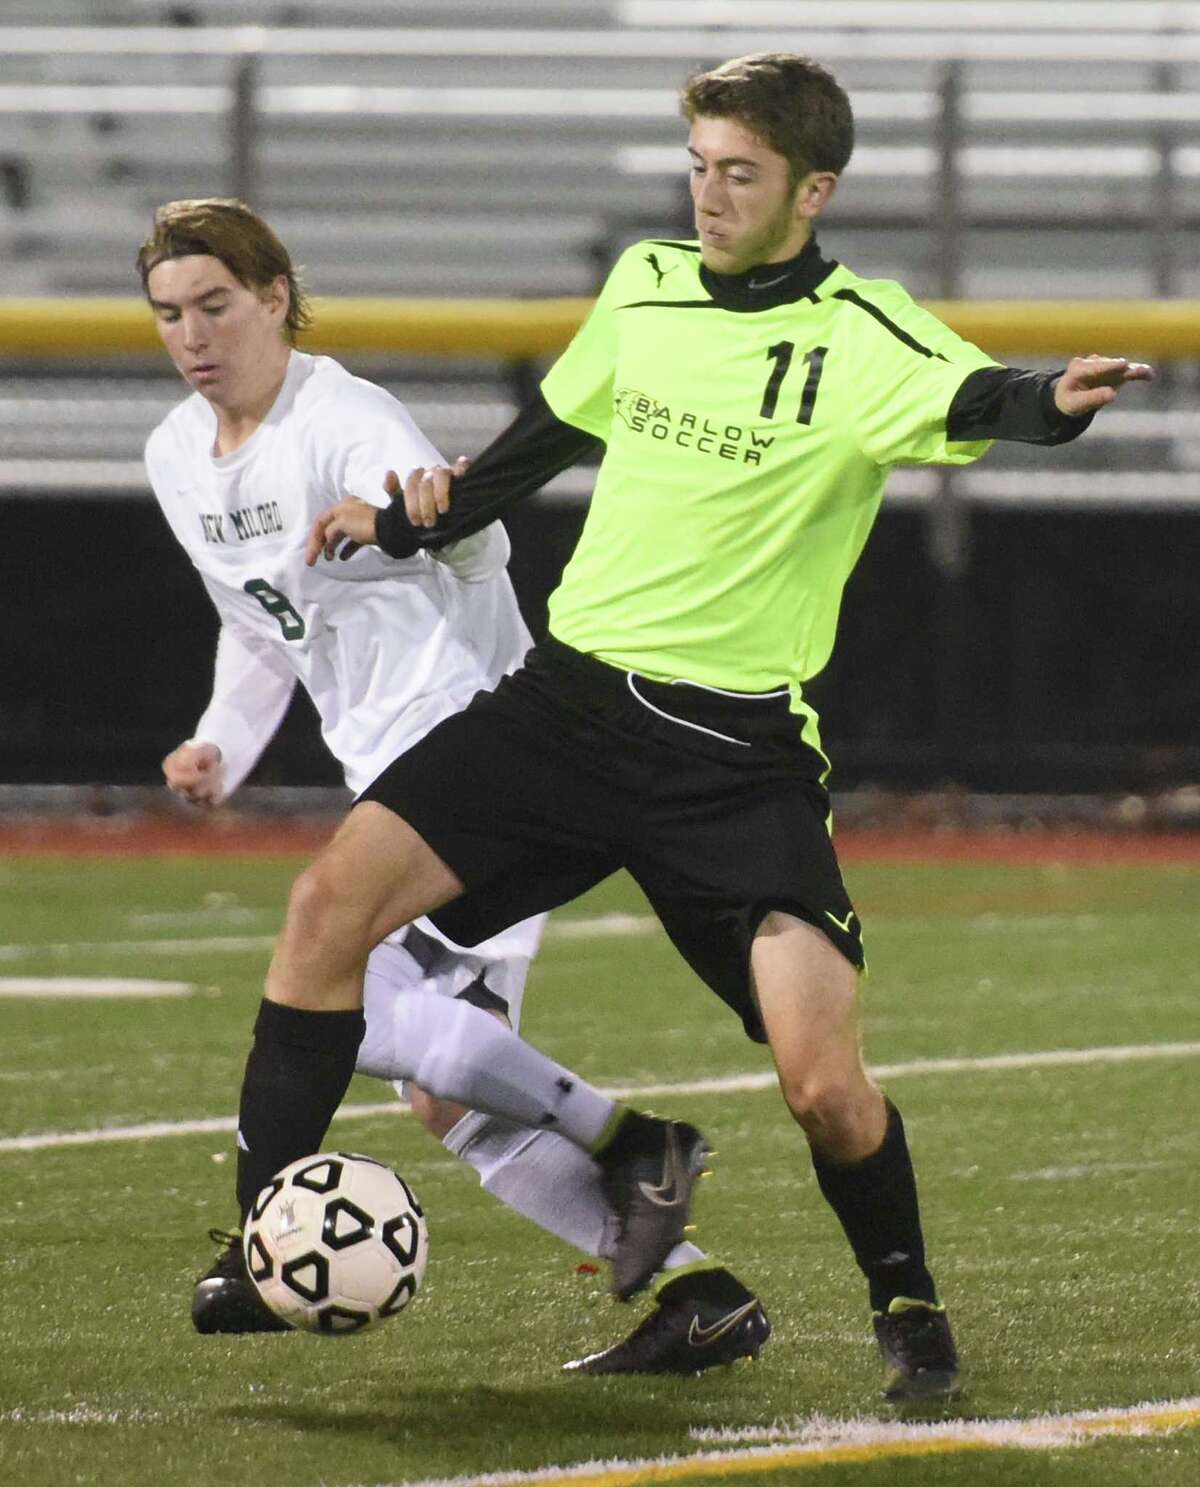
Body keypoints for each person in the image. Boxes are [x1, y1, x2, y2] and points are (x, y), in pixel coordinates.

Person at [307, 52, 1149, 1401]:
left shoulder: (865, 332)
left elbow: (980, 397)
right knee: (324, 918)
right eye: (698, 165)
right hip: (567, 715)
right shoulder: (643, 288)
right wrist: (414, 518)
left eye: (739, 173)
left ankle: (908, 1304)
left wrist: (1050, 403)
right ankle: (264, 1224)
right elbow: (535, 447)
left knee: (822, 1085)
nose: (708, 193)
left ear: (812, 190)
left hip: (733, 761)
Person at [138, 198, 769, 1372]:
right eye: (170, 312)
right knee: (441, 1092)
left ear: (275, 296)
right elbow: (266, 625)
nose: (192, 334)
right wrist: (221, 738)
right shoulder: (177, 452)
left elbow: (467, 533)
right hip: (391, 772)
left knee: (338, 993)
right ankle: (699, 1292)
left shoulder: (343, 417)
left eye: (215, 304)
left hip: (483, 756)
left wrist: (434, 520)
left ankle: (627, 1144)